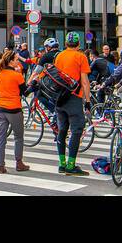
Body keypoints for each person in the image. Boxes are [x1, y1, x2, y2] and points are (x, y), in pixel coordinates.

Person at [44, 32, 91, 176]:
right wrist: (87, 101)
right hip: (73, 97)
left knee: (62, 130)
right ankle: (71, 165)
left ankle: (62, 164)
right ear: (79, 44)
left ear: (65, 43)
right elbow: (84, 81)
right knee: (77, 130)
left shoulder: (59, 56)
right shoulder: (81, 56)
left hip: (59, 98)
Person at [0, 49, 29, 174]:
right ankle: (19, 163)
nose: (18, 62)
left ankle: (0, 166)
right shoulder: (17, 76)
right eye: (17, 60)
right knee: (18, 137)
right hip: (14, 109)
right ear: (11, 61)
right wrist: (34, 83)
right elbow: (25, 92)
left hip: (0, 109)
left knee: (1, 138)